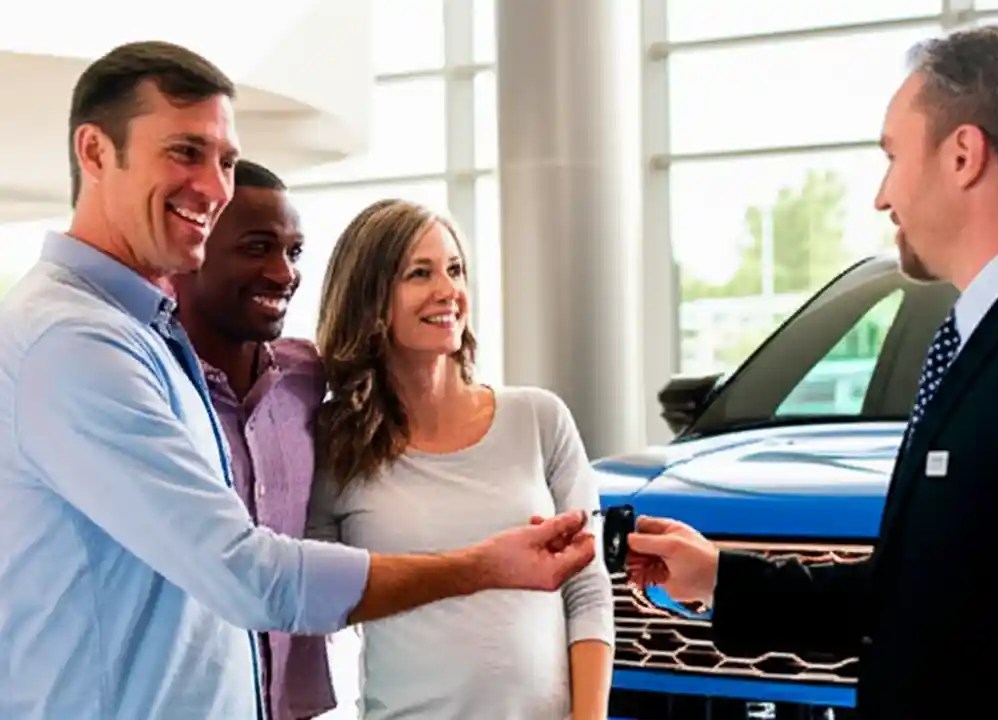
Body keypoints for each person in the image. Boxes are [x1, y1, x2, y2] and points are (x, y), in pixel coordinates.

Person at [0, 40, 594, 720]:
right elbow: (250, 576)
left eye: (223, 160)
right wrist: (482, 566)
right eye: (184, 152)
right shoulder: (74, 342)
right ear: (96, 153)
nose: (213, 186)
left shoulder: (156, 337)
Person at [625, 24, 998, 720]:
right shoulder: (992, 332)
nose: (881, 195)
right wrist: (720, 579)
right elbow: (922, 593)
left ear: (963, 154)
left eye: (892, 156)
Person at [305, 198, 614, 720]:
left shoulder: (539, 419)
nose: (448, 291)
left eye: (455, 269)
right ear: (370, 298)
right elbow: (313, 601)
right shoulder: (336, 447)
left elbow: (587, 590)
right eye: (419, 273)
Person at [170, 158, 335, 720]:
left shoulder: (309, 378)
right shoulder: (147, 387)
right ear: (193, 253)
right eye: (257, 247)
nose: (283, 273)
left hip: (292, 707)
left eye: (293, 252)